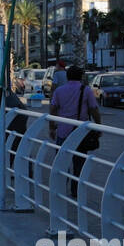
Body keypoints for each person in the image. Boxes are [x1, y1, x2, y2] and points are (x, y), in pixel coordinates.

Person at [49, 65, 101, 198]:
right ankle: (75, 190)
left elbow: (53, 110)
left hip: (62, 131)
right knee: (79, 164)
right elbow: (94, 109)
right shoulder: (86, 90)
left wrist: (51, 127)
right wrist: (99, 126)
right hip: (80, 134)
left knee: (61, 162)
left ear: (67, 76)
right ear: (81, 77)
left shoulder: (59, 91)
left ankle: (60, 188)